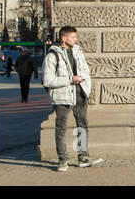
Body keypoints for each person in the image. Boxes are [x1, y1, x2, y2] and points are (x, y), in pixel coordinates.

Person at [43, 27, 102, 171]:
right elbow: (47, 80)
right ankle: (63, 159)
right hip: (62, 96)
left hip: (80, 93)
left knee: (82, 125)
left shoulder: (78, 50)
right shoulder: (52, 55)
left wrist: (86, 85)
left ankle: (83, 156)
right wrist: (70, 80)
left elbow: (85, 70)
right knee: (61, 128)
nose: (76, 39)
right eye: (73, 37)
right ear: (64, 39)